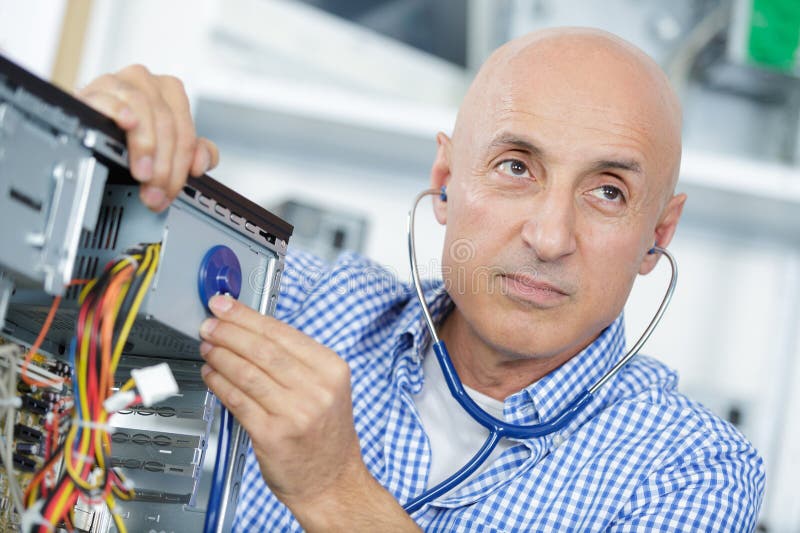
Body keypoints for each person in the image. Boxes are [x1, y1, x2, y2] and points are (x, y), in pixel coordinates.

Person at [79, 27, 764, 531]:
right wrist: (95, 150)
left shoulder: (692, 469)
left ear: (658, 235)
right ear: (445, 182)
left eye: (608, 192)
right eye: (517, 167)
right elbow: (61, 316)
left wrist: (336, 489)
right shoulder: (293, 301)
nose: (550, 237)